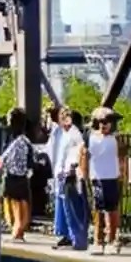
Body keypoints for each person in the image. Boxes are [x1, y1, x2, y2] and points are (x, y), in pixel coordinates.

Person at [47, 106, 86, 249]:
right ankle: (67, 235)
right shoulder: (61, 133)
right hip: (62, 175)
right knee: (64, 207)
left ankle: (75, 238)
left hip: (71, 176)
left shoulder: (74, 135)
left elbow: (77, 155)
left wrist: (71, 169)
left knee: (72, 208)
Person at [88, 108, 122, 255]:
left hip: (112, 177)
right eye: (100, 122)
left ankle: (112, 239)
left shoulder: (116, 139)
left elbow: (122, 158)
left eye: (107, 122)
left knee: (112, 209)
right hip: (97, 177)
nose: (103, 125)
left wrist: (123, 174)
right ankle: (98, 240)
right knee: (98, 209)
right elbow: (84, 155)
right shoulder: (91, 138)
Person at [0, 108, 32, 242]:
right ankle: (19, 229)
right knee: (21, 202)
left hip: (13, 175)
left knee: (14, 203)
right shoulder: (24, 141)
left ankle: (17, 230)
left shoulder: (16, 141)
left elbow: (5, 159)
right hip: (22, 176)